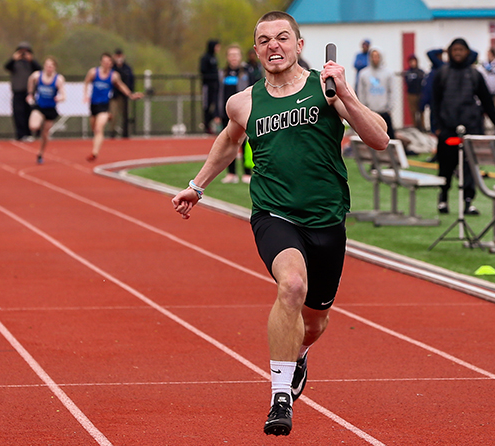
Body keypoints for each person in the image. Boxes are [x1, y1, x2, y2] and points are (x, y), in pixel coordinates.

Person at [171, 11, 389, 437]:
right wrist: (197, 186)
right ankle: (280, 396)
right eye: (265, 40)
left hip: (327, 218)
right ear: (256, 51)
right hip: (274, 214)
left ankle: (299, 353)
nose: (274, 45)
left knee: (315, 323)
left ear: (299, 45)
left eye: (283, 37)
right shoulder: (244, 102)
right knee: (291, 285)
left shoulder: (326, 89)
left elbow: (379, 138)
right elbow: (230, 140)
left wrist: (346, 92)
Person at [431, 38, 495, 216]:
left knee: (470, 166)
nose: (458, 53)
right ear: (449, 52)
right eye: (454, 50)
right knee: (446, 166)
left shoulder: (475, 75)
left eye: (461, 50)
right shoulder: (442, 73)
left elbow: (487, 102)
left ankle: (468, 201)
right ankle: (443, 198)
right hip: (448, 130)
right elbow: (435, 103)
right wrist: (436, 127)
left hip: (471, 129)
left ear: (467, 52)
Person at [83, 53, 143, 162]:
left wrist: (131, 95)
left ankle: (94, 153)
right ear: (101, 62)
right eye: (105, 62)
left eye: (108, 62)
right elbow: (86, 82)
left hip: (104, 105)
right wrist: (85, 95)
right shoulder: (93, 72)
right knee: (94, 129)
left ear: (111, 63)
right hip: (93, 105)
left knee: (99, 128)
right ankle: (96, 145)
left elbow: (121, 86)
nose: (106, 64)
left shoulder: (114, 75)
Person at [217, 45, 253, 184]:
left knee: (246, 143)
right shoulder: (222, 74)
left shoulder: (246, 73)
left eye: (236, 54)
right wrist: (217, 112)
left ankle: (247, 173)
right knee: (228, 143)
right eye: (231, 55)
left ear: (240, 57)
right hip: (226, 114)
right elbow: (218, 94)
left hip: (243, 113)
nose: (234, 57)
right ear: (227, 57)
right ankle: (231, 173)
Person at [26, 57, 66, 165]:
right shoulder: (37, 76)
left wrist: (59, 98)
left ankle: (40, 153)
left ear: (54, 68)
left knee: (45, 134)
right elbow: (30, 81)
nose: (49, 68)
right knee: (33, 126)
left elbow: (63, 95)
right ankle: (39, 123)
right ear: (44, 66)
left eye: (51, 66)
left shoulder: (58, 79)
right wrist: (30, 94)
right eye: (47, 66)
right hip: (39, 107)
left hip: (50, 109)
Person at [4, 42, 42, 141]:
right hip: (17, 92)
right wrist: (14, 58)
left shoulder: (31, 64)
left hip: (29, 93)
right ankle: (20, 134)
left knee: (30, 113)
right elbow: (6, 67)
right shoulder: (15, 63)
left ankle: (30, 134)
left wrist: (31, 59)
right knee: (18, 114)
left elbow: (40, 70)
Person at [357, 47, 395, 140]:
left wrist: (390, 107)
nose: (375, 59)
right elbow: (361, 92)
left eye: (377, 56)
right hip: (370, 112)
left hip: (384, 111)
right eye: (373, 56)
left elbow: (391, 91)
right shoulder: (363, 74)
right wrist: (363, 108)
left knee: (389, 139)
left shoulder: (388, 73)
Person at [110, 48, 134, 138]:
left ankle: (125, 133)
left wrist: (130, 93)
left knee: (125, 115)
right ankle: (112, 132)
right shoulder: (112, 68)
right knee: (113, 114)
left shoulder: (127, 68)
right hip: (114, 95)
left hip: (124, 96)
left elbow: (130, 81)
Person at [200, 39, 221, 134]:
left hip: (215, 85)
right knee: (207, 105)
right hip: (207, 86)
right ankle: (206, 125)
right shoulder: (205, 58)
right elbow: (202, 70)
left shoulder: (214, 58)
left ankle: (211, 124)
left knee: (215, 104)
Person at [403, 55, 426, 130]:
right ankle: (415, 126)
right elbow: (408, 82)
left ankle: (422, 126)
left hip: (420, 93)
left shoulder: (420, 72)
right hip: (411, 94)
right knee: (413, 111)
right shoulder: (408, 72)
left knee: (421, 111)